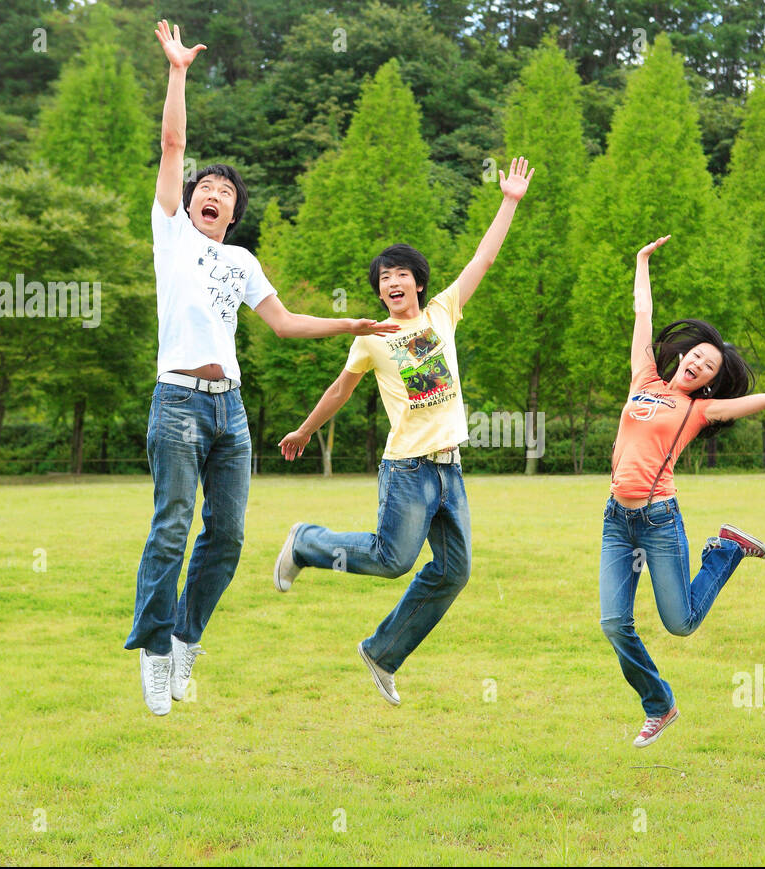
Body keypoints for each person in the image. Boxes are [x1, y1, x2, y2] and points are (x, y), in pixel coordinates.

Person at [126, 21, 397, 717]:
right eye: (204, 186)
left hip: (230, 411)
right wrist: (178, 71)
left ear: (234, 213)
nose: (213, 191)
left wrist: (351, 324)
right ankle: (155, 653)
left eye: (225, 191)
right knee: (170, 528)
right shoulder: (171, 235)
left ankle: (187, 641)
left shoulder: (240, 261)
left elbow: (281, 323)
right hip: (178, 403)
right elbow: (173, 144)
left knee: (230, 535)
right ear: (190, 201)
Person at [275, 158, 536, 706]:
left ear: (418, 283)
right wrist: (302, 430)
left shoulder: (443, 312)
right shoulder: (371, 338)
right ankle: (305, 542)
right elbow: (340, 391)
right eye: (383, 279)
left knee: (454, 572)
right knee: (393, 560)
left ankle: (383, 651)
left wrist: (508, 200)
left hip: (450, 469)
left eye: (401, 275)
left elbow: (483, 257)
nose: (392, 283)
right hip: (408, 469)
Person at [603, 236, 765, 748]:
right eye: (696, 355)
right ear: (683, 355)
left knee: (680, 624)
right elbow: (642, 316)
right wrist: (641, 263)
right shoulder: (643, 378)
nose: (698, 363)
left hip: (657, 519)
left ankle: (725, 551)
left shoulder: (700, 410)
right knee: (613, 622)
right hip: (615, 518)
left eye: (709, 367)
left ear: (711, 383)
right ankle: (660, 705)